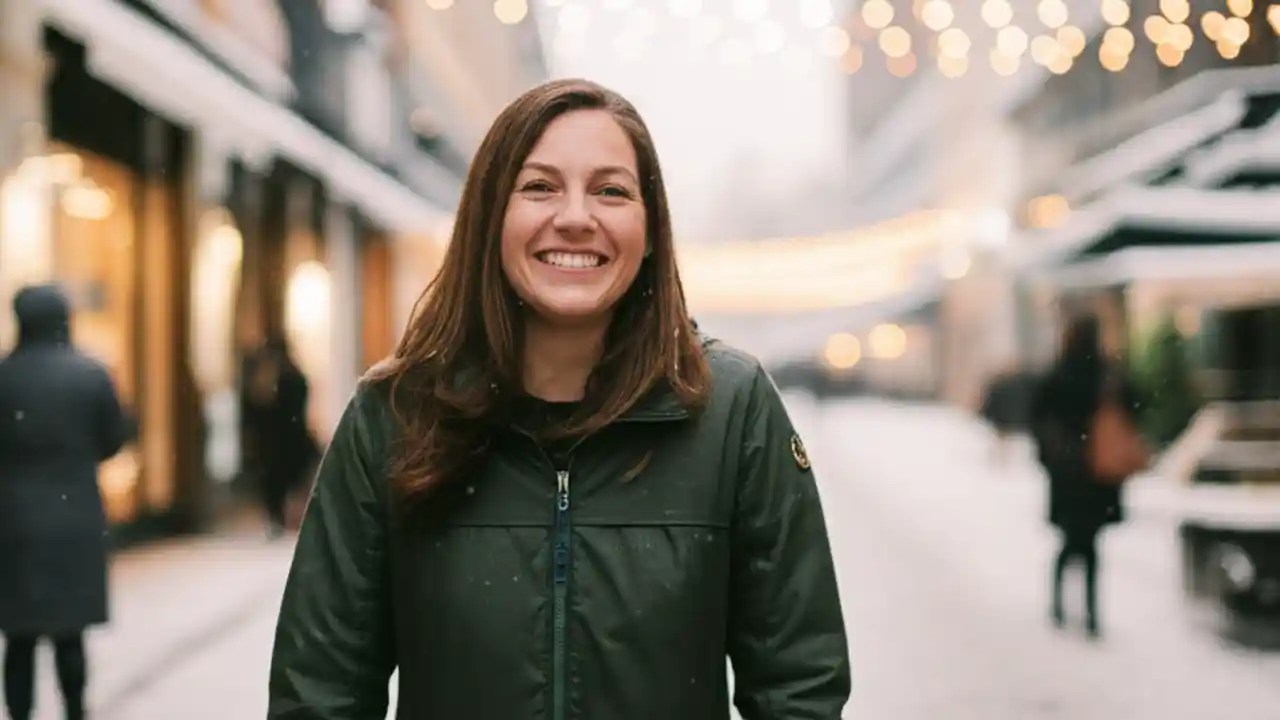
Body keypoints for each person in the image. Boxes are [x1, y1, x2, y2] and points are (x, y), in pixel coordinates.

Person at [269, 78, 851, 719]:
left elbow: (799, 687)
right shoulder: (396, 415)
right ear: (490, 218)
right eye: (540, 187)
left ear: (650, 231)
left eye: (611, 191)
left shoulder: (732, 412)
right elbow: (319, 693)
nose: (576, 218)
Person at [0, 284, 130, 720]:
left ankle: (19, 712)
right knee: (69, 631)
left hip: (13, 521)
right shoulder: (90, 374)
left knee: (18, 634)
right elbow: (113, 438)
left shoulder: (5, 378)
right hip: (74, 514)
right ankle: (75, 708)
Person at [1030, 315, 1140, 639]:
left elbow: (1039, 417)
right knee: (1090, 544)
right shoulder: (1106, 373)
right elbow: (1134, 405)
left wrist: (1054, 457)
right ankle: (1090, 612)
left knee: (1070, 541)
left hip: (1069, 472)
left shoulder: (1059, 373)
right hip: (1096, 472)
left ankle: (1060, 605)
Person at [241, 334, 320, 537]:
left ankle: (281, 517)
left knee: (278, 480)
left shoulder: (277, 379)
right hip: (286, 440)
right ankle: (282, 517)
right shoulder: (290, 377)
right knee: (284, 480)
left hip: (279, 442)